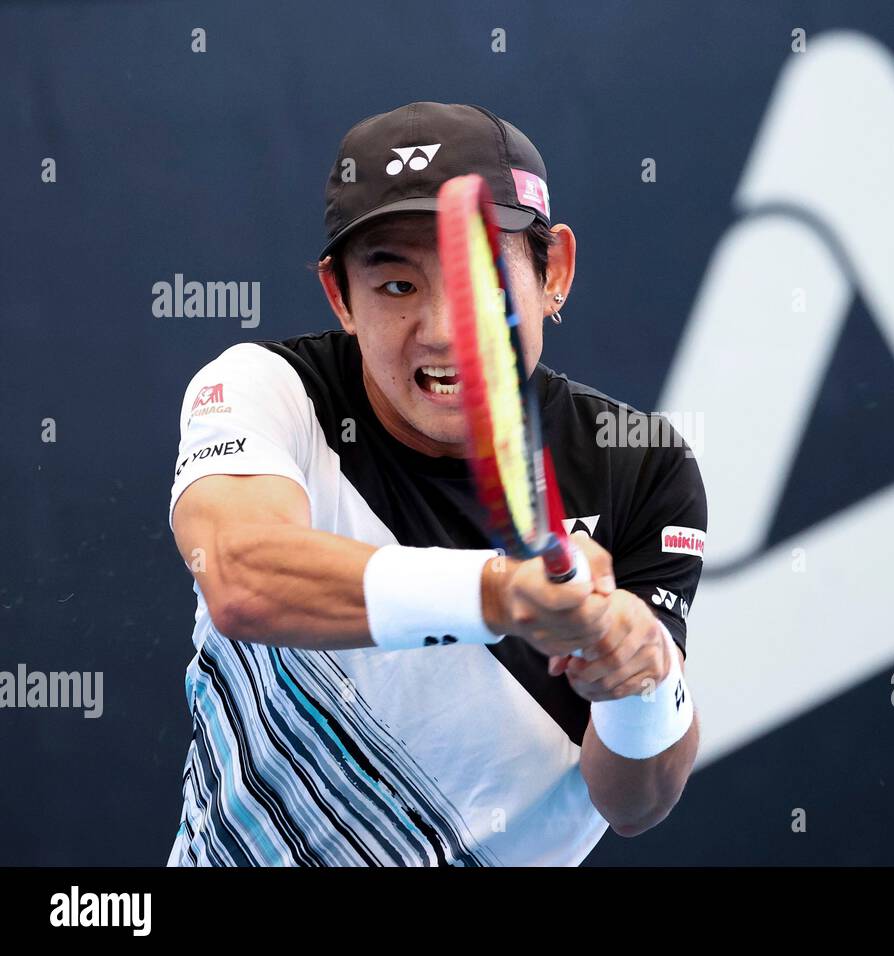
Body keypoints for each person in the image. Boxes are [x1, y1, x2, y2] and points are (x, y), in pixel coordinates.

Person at [164, 102, 706, 866]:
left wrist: (641, 685)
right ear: (339, 297)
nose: (446, 329)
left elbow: (637, 803)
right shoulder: (267, 390)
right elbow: (238, 579)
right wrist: (504, 594)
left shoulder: (644, 466)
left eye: (482, 278)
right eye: (395, 287)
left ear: (554, 272)